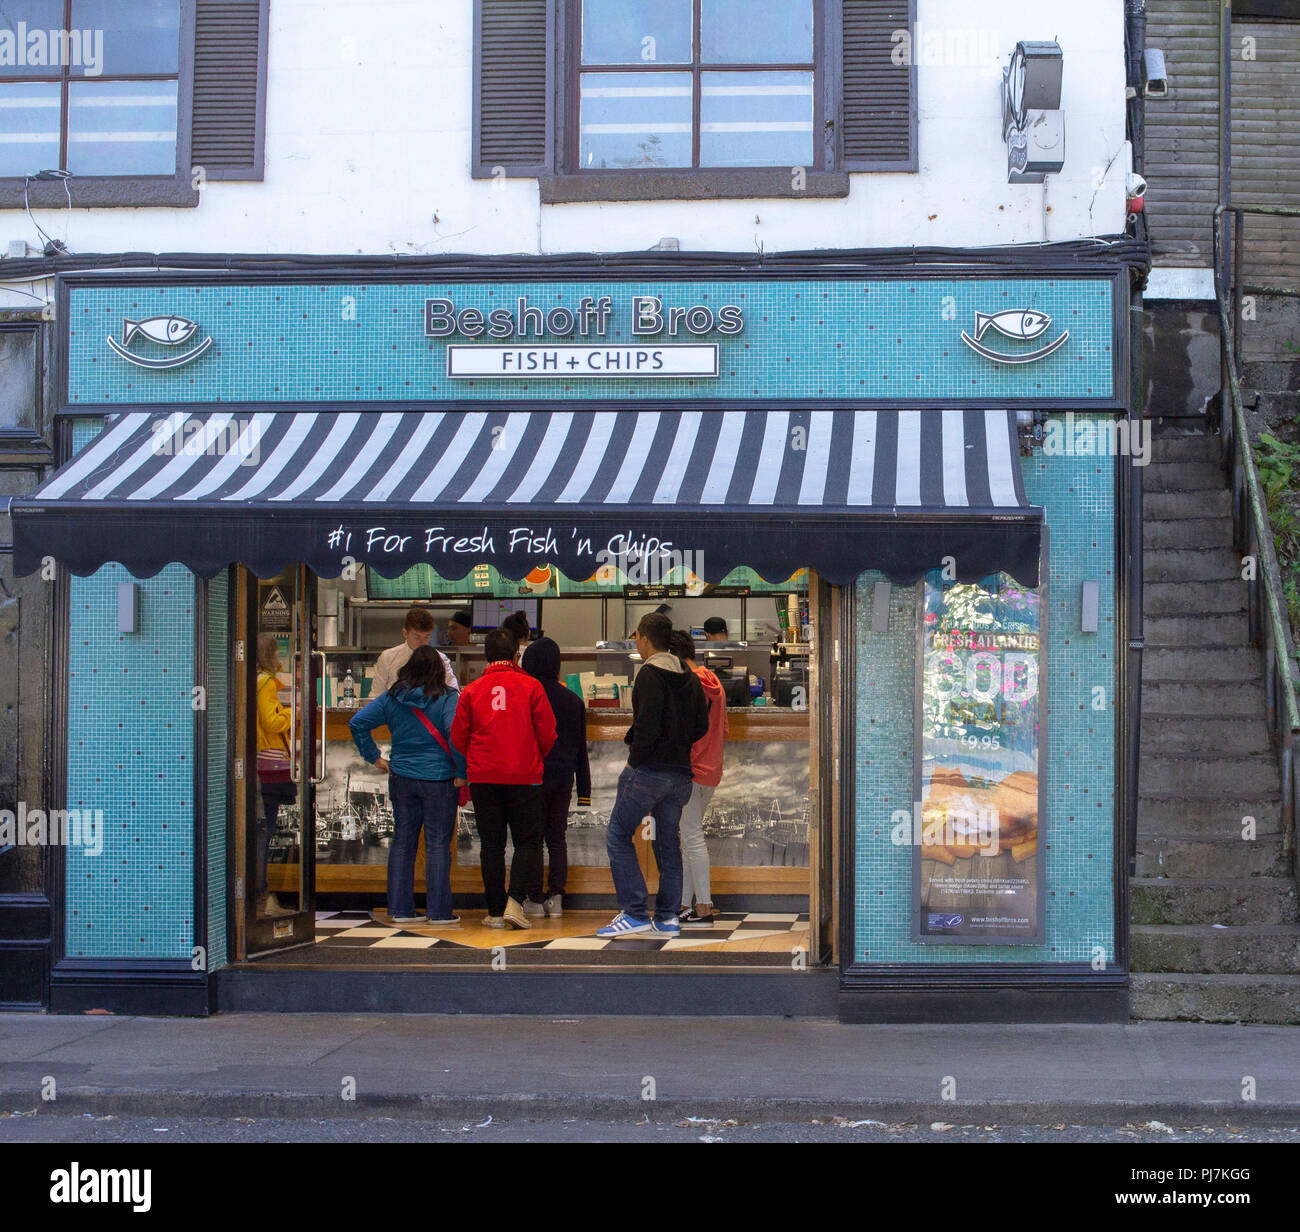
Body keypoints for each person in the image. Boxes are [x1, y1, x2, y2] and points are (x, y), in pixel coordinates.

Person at [597, 613, 709, 939]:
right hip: (681, 776)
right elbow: (701, 725)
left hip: (648, 772)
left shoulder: (648, 673)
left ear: (645, 638)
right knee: (668, 843)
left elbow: (647, 726)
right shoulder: (688, 675)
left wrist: (634, 761)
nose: (636, 642)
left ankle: (633, 913)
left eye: (636, 637)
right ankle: (667, 917)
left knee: (618, 833)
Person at [349, 646, 466, 926]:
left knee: (402, 842)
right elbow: (454, 734)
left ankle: (400, 910)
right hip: (439, 780)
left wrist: (374, 757)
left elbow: (358, 723)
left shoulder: (393, 697)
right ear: (439, 670)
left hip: (402, 778)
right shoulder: (449, 698)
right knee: (437, 844)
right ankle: (438, 913)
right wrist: (462, 771)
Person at [451, 629, 557, 929]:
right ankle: (515, 901)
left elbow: (458, 737)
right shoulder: (531, 686)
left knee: (492, 844)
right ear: (516, 655)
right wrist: (533, 755)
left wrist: (476, 758)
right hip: (525, 776)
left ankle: (495, 911)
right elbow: (548, 733)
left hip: (484, 777)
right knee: (528, 841)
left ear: (486, 656)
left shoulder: (471, 690)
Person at [521, 636, 592, 918]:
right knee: (557, 838)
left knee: (533, 838)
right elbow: (581, 749)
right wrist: (584, 791)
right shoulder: (573, 700)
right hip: (564, 777)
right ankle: (557, 897)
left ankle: (535, 901)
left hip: (532, 776)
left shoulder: (526, 694)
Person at [668, 630, 727, 927]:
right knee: (687, 838)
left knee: (690, 836)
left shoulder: (688, 685)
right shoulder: (714, 682)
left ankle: (703, 906)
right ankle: (683, 904)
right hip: (712, 768)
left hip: (692, 769)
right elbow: (722, 729)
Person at [254, 633, 294, 918]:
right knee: (264, 832)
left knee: (259, 832)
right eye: (277, 653)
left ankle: (258, 896)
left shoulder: (251, 679)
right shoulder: (266, 683)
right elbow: (270, 721)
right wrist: (292, 713)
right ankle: (261, 898)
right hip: (270, 764)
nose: (280, 657)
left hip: (257, 761)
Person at [373, 606, 458, 696]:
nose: (422, 642)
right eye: (417, 637)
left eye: (427, 636)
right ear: (405, 633)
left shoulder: (441, 659)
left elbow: (454, 693)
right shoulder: (387, 657)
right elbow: (375, 696)